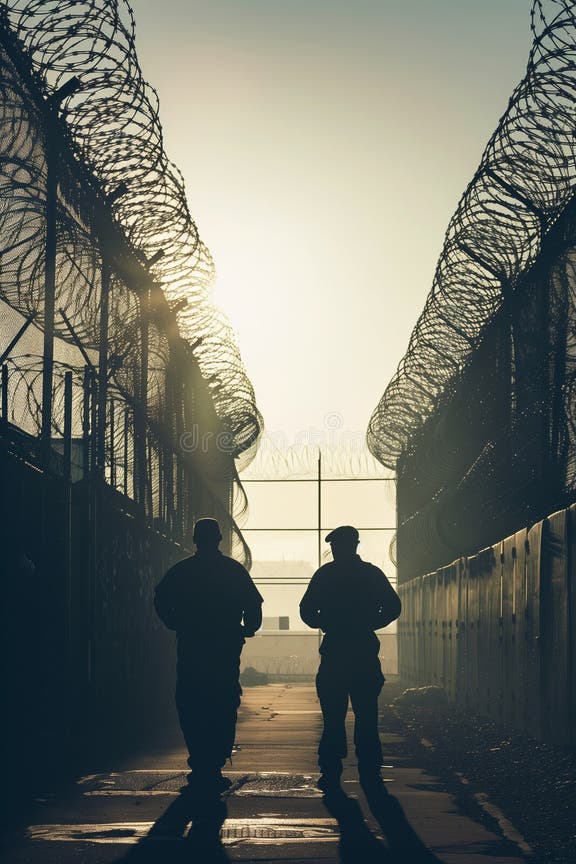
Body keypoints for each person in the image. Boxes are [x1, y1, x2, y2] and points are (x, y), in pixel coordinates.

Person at [154, 517, 263, 795]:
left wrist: (174, 623)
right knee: (223, 703)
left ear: (195, 540)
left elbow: (161, 599)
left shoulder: (183, 571)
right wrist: (246, 629)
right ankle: (214, 763)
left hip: (192, 645)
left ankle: (200, 761)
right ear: (219, 539)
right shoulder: (233, 571)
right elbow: (253, 606)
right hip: (224, 648)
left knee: (191, 702)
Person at [300, 525, 401, 793]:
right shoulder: (371, 574)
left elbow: (306, 610)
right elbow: (393, 606)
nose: (333, 550)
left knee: (333, 716)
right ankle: (369, 768)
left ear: (339, 546)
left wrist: (326, 623)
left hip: (335, 651)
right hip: (363, 652)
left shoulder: (326, 575)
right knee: (366, 714)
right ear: (356, 545)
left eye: (334, 546)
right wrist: (369, 623)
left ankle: (332, 768)